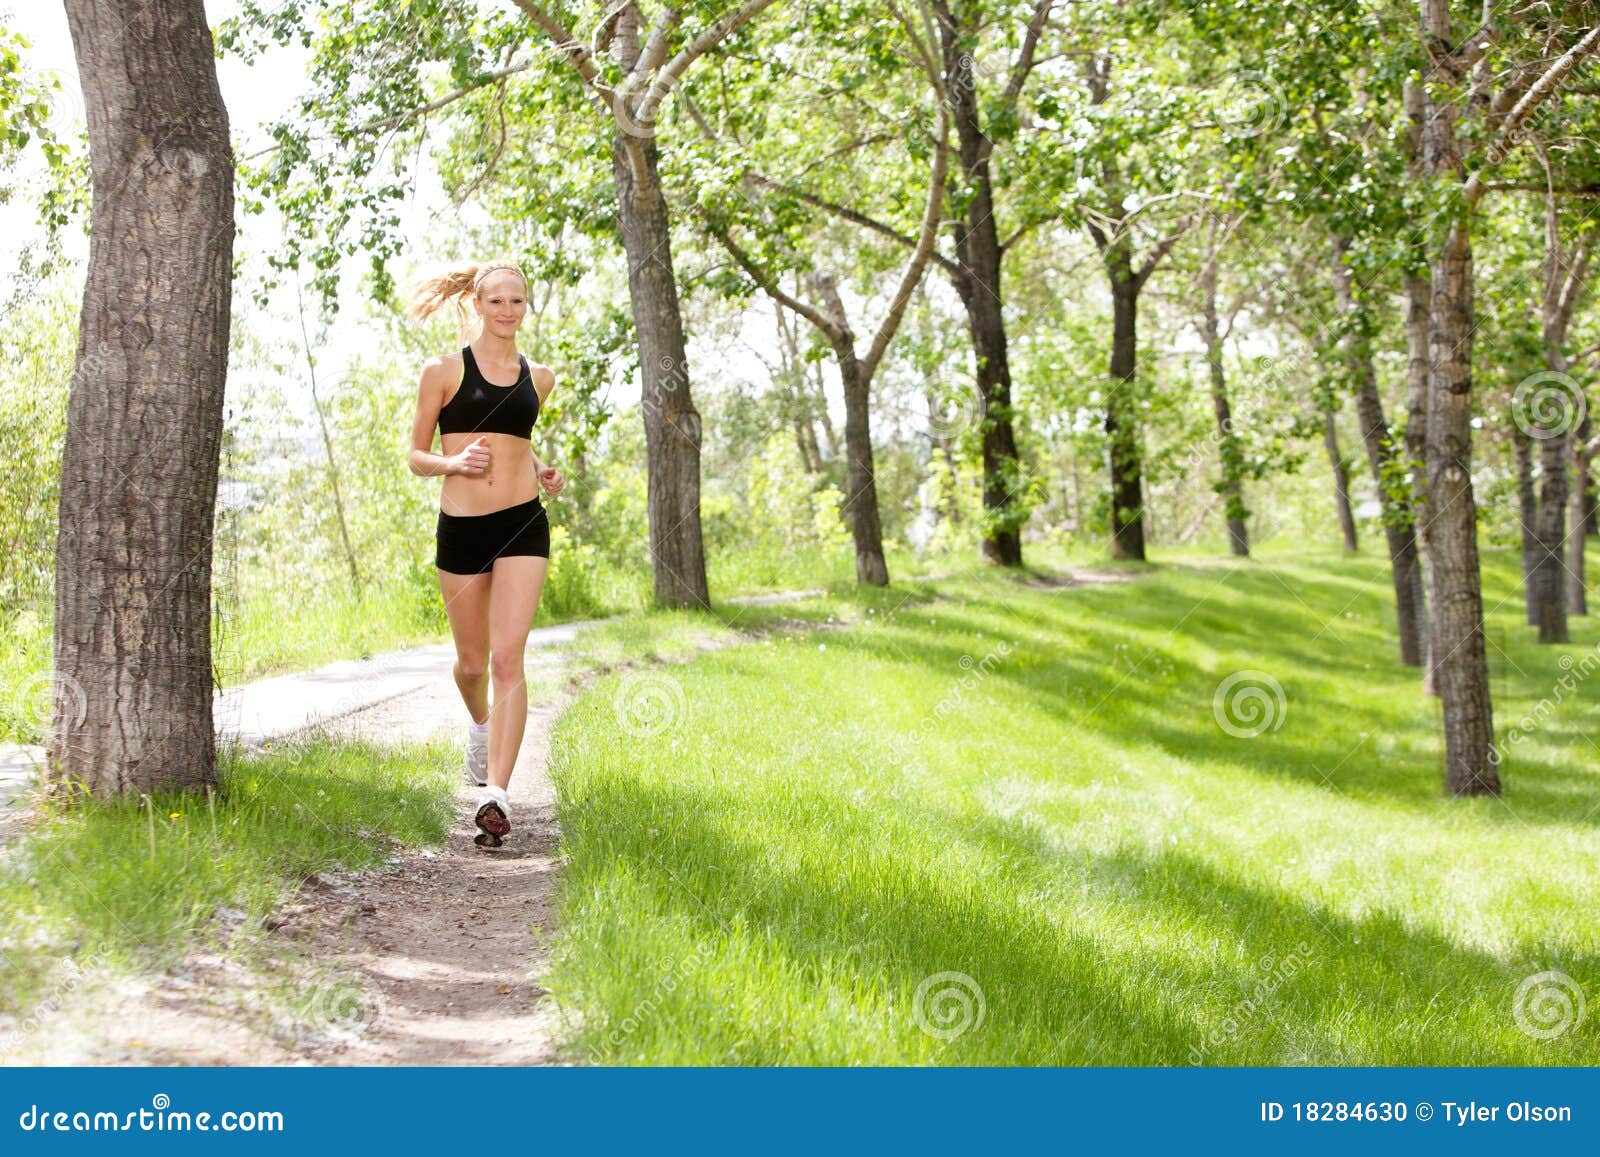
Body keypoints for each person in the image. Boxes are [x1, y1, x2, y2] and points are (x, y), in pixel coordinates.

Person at [405, 260, 565, 847]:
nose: (507, 310)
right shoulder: (444, 372)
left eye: (516, 301)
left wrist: (541, 470)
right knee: (473, 666)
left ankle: (497, 795)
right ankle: (480, 726)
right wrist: (452, 463)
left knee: (507, 660)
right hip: (463, 530)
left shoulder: (539, 377)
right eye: (496, 301)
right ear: (477, 304)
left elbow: (517, 440)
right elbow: (416, 455)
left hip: (523, 525)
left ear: (527, 306)